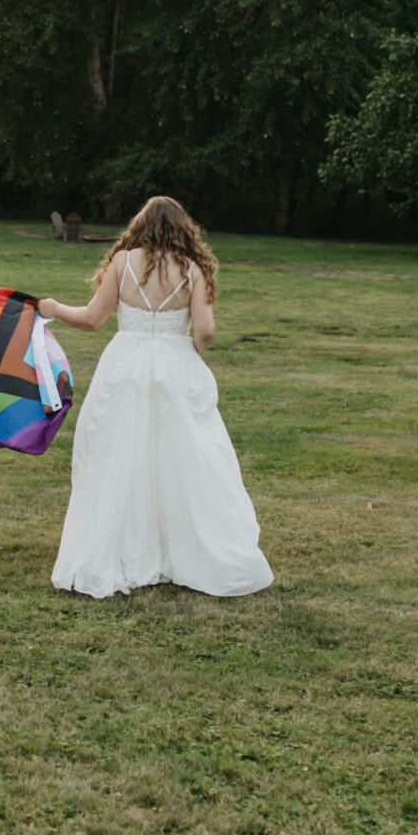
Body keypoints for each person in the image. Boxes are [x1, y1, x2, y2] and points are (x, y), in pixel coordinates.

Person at [37, 196, 273, 599]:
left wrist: (56, 308)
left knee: (118, 455)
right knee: (183, 456)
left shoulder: (122, 261)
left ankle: (123, 548)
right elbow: (207, 330)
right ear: (184, 229)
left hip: (124, 366)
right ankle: (181, 549)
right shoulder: (192, 269)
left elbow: (93, 318)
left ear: (139, 225)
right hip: (173, 366)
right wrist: (191, 352)